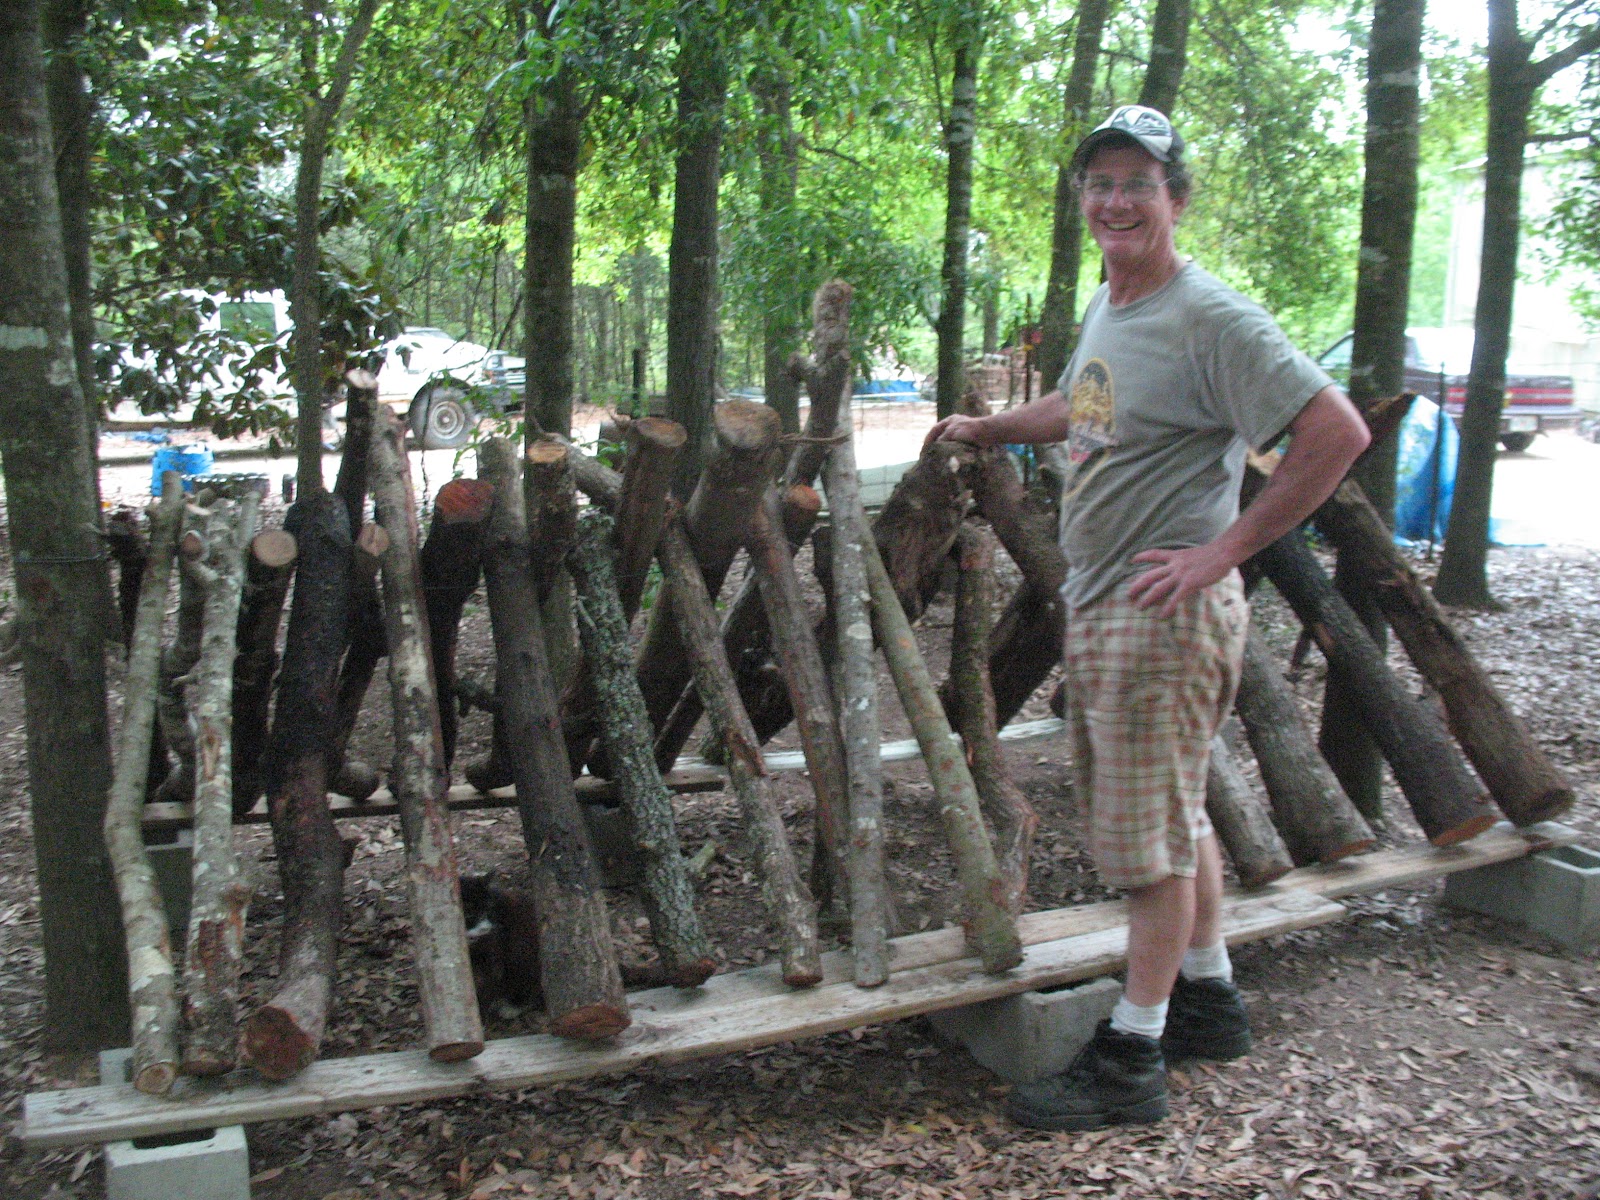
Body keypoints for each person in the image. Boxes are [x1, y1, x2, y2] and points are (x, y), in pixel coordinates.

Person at [925, 104, 1370, 1132]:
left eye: (1138, 182)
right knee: (1172, 814)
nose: (1116, 200)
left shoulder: (1211, 317)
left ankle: (1130, 1059)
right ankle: (1205, 998)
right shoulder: (1116, 303)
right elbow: (1089, 413)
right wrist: (992, 425)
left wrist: (1225, 549)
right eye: (1100, 183)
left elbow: (1333, 431)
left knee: (1142, 848)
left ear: (1175, 198)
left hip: (1160, 607)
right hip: (1111, 598)